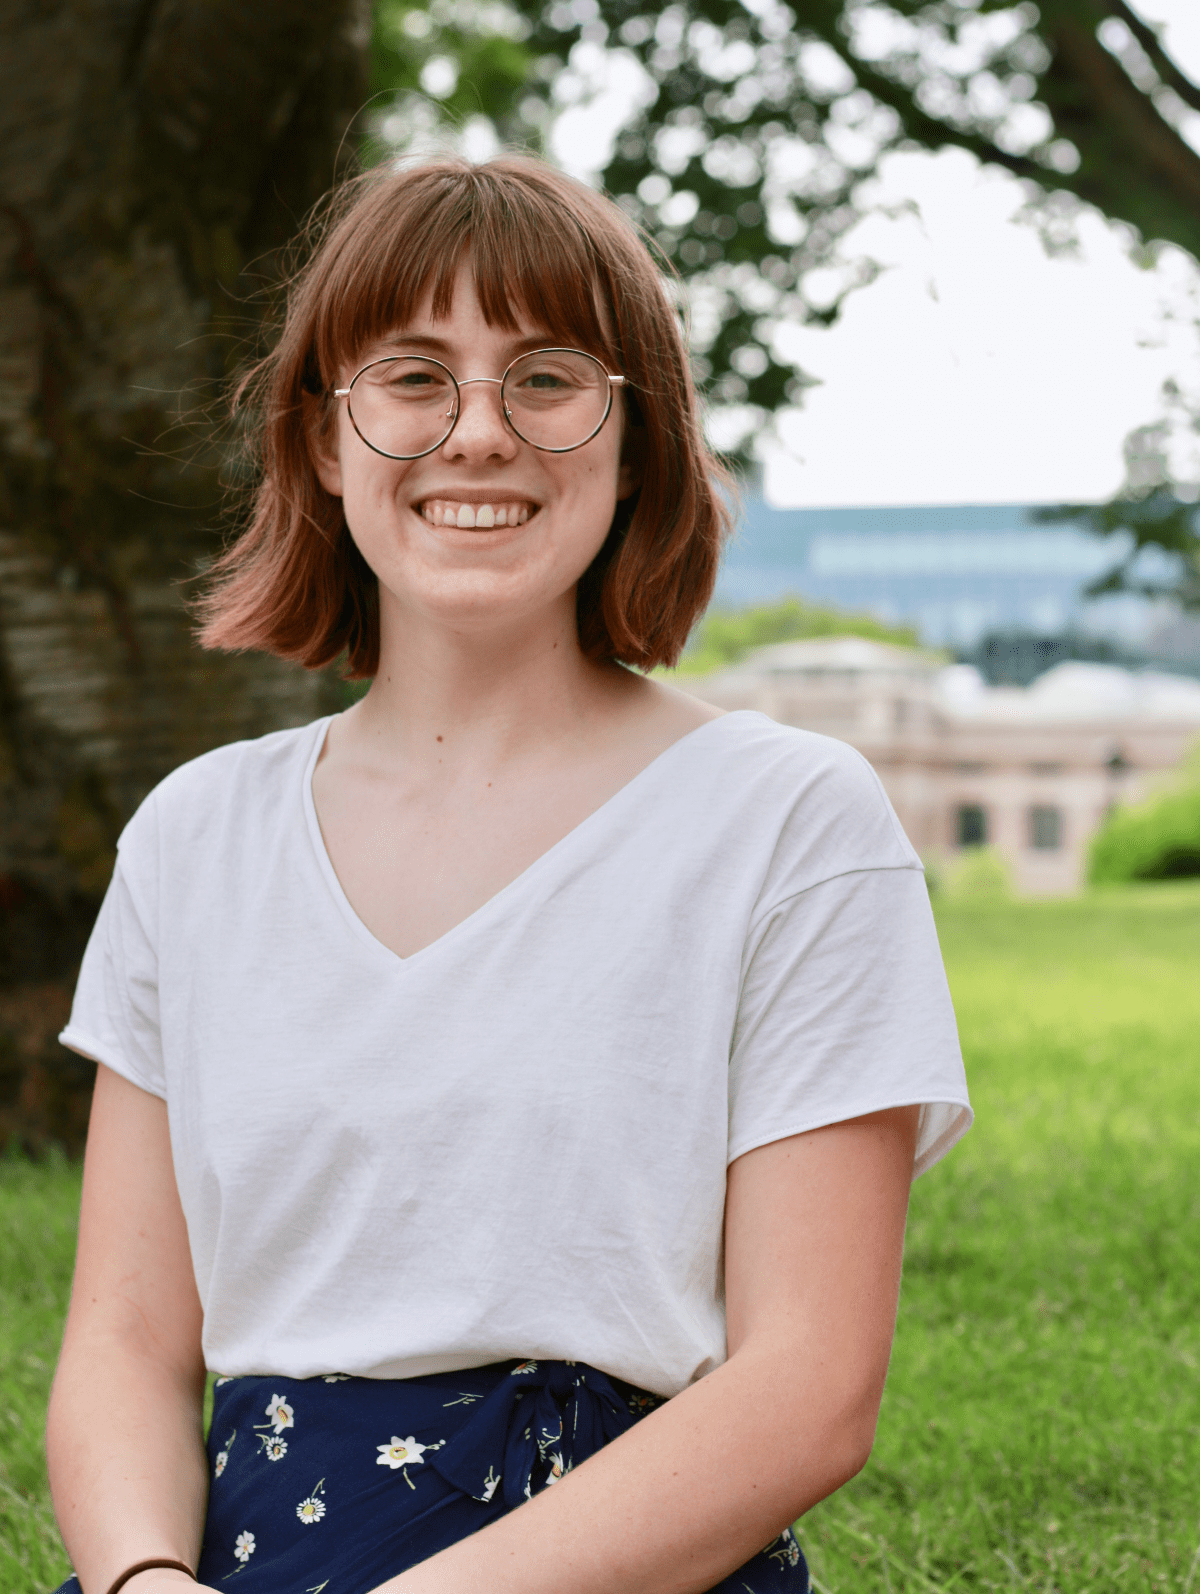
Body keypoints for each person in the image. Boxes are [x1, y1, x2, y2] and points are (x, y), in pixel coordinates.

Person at [46, 154, 971, 1594]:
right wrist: (145, 1582)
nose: (480, 433)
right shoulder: (192, 838)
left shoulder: (790, 821)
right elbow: (123, 1341)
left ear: (639, 437)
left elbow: (810, 1388)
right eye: (413, 378)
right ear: (321, 439)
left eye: (546, 378)